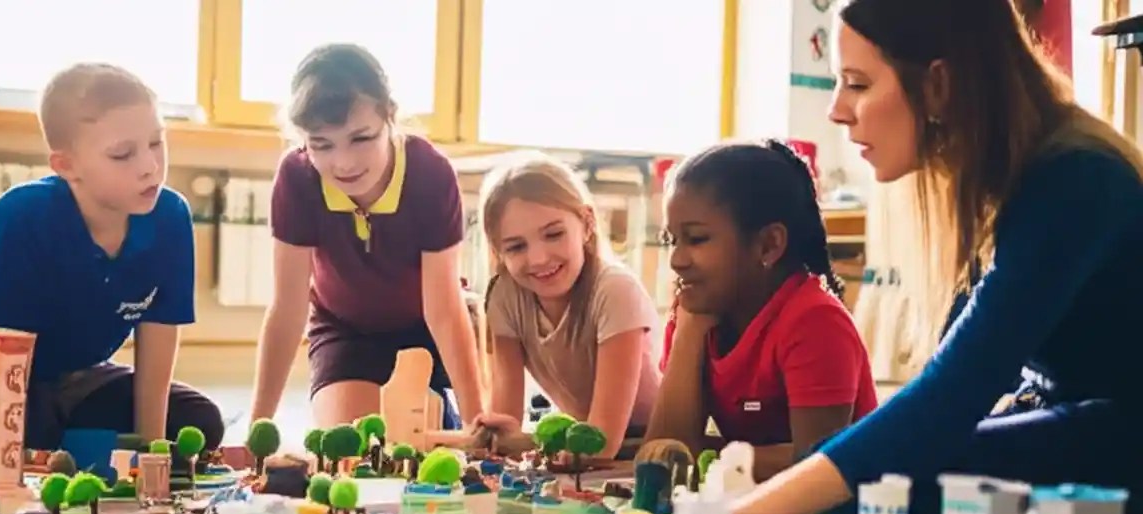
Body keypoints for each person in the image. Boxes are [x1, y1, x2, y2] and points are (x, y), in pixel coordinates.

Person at [605, 0, 1143, 514]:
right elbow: (945, 396)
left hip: (1123, 438)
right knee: (868, 480)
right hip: (1086, 424)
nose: (837, 111)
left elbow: (950, 395)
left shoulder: (1075, 180)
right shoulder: (997, 187)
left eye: (857, 84)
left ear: (939, 84)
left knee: (867, 491)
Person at [0, 63, 223, 480]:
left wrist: (150, 451)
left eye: (156, 143)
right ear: (66, 165)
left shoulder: (170, 215)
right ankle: (37, 450)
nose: (150, 166)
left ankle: (62, 451)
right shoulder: (23, 216)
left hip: (80, 382)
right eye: (123, 154)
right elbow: (11, 357)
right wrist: (11, 444)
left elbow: (159, 329)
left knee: (199, 421)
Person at [250, 44, 484, 430]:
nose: (343, 163)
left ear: (389, 116)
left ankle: (446, 408)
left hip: (422, 327)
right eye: (322, 145)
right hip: (345, 330)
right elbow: (287, 309)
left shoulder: (430, 173)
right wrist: (259, 425)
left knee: (417, 444)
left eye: (361, 138)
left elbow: (443, 310)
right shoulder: (297, 176)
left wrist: (478, 418)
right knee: (353, 448)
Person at [647, 140, 876, 480]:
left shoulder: (814, 321)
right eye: (672, 241)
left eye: (696, 239)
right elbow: (662, 454)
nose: (677, 260)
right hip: (752, 508)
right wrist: (690, 330)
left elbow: (817, 462)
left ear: (768, 244)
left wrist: (710, 457)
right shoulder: (699, 312)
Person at [472, 152, 660, 459]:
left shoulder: (615, 289)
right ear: (498, 251)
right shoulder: (504, 296)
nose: (539, 259)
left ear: (586, 224)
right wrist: (496, 436)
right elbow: (506, 420)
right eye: (517, 246)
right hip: (585, 445)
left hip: (650, 443)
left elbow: (601, 443)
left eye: (554, 234)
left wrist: (525, 443)